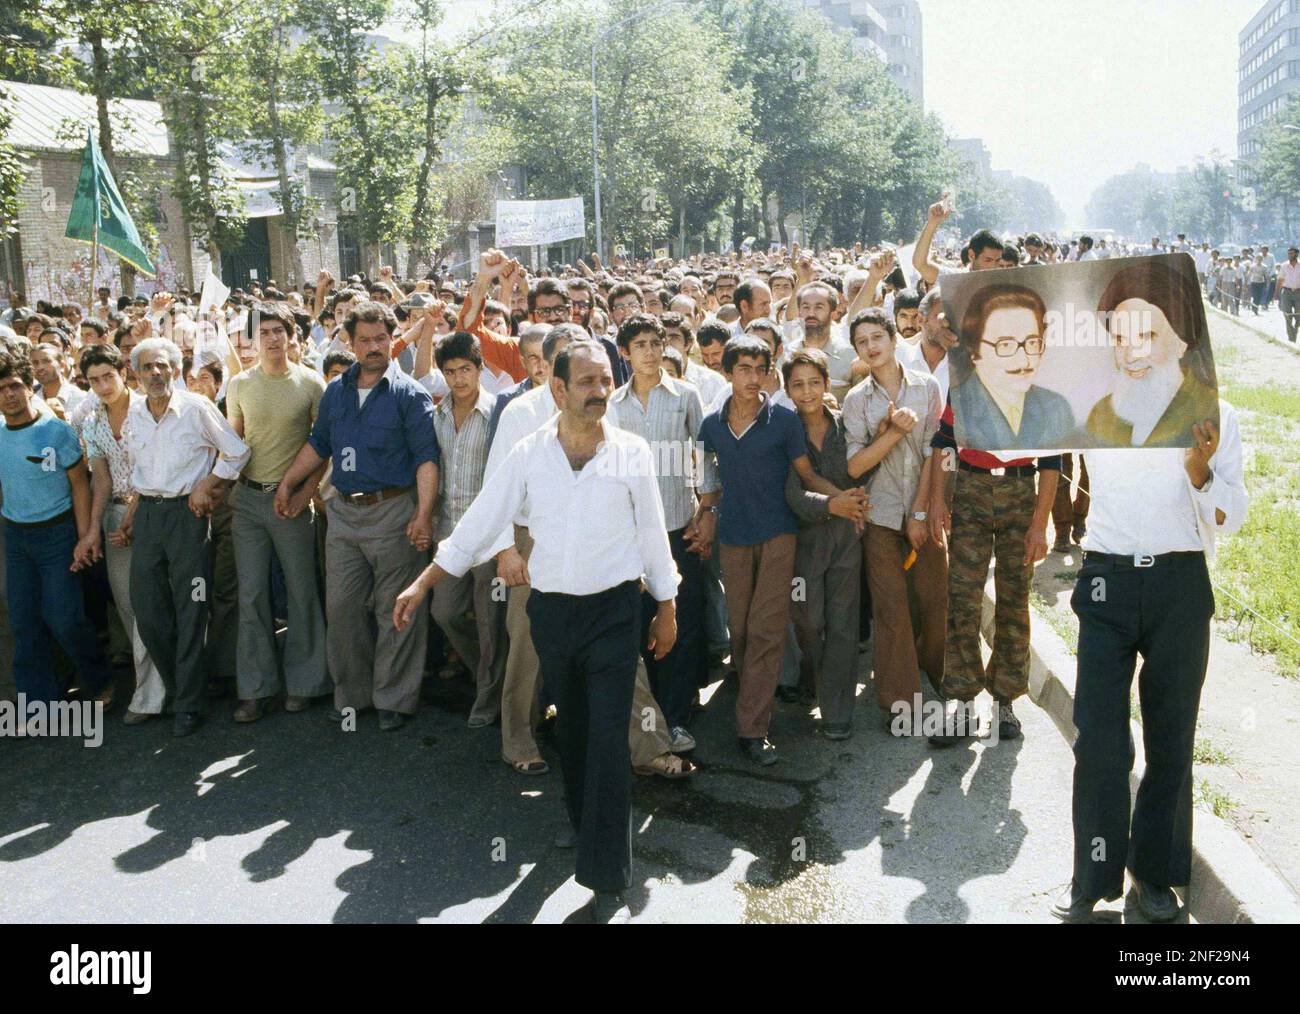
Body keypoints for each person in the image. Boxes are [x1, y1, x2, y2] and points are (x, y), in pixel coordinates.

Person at [393, 338, 679, 923]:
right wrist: (423, 584)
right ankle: (587, 829)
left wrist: (667, 606)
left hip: (615, 614)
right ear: (557, 389)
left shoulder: (629, 453)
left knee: (605, 737)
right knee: (573, 734)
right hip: (552, 613)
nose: (600, 393)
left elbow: (653, 534)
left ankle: (606, 869)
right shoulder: (527, 453)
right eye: (587, 383)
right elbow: (478, 523)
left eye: (606, 382)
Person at [1052, 400, 1247, 924]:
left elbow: (1233, 519)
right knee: (1097, 736)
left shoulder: (1215, 416)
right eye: (1127, 330)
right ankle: (1090, 878)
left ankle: (1155, 878)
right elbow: (1015, 432)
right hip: (1104, 578)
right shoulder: (1092, 409)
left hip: (1179, 583)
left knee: (1172, 735)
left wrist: (1200, 474)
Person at [275, 301, 439, 732]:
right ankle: (352, 696)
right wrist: (289, 482)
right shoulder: (337, 391)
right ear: (350, 341)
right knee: (343, 608)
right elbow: (319, 443)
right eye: (364, 340)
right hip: (344, 515)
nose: (373, 347)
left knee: (395, 610)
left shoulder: (410, 395)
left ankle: (394, 699)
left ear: (391, 339)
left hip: (394, 512)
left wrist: (423, 515)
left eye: (381, 339)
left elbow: (426, 459)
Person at [697, 335, 843, 766]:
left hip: (780, 535)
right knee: (739, 630)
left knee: (765, 629)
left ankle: (752, 729)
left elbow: (808, 476)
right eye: (743, 368)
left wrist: (844, 499)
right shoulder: (711, 425)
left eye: (761, 369)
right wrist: (704, 515)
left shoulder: (783, 420)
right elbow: (706, 483)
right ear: (727, 373)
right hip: (734, 539)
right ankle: (751, 702)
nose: (753, 377)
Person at [122, 337, 251, 737]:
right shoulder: (135, 414)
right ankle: (181, 689)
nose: (156, 374)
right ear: (136, 374)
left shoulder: (196, 408)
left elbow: (237, 452)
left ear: (176, 370)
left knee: (191, 607)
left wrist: (207, 484)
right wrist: (130, 515)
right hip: (148, 519)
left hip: (188, 518)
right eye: (147, 368)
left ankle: (189, 703)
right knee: (148, 612)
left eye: (163, 366)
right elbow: (139, 473)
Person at [610, 312, 717, 752]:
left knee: (681, 622)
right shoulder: (613, 406)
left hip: (678, 526)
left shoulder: (685, 396)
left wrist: (707, 509)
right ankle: (644, 722)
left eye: (656, 343)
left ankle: (675, 717)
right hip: (630, 534)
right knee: (639, 626)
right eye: (640, 345)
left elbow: (707, 455)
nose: (651, 352)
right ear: (624, 354)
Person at [225, 301, 329, 721]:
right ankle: (255, 688)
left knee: (302, 590)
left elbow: (323, 445)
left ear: (290, 336)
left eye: (278, 330)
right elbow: (235, 442)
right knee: (251, 594)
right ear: (253, 338)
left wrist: (306, 492)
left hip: (291, 504)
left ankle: (306, 682)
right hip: (248, 501)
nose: (271, 338)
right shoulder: (238, 385)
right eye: (263, 331)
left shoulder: (311, 384)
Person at [842, 309, 946, 728]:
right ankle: (900, 701)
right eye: (862, 341)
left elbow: (936, 452)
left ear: (891, 338)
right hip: (879, 514)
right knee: (891, 608)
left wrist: (922, 512)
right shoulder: (856, 400)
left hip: (924, 509)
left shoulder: (927, 387)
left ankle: (937, 679)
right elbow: (854, 466)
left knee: (935, 599)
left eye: (876, 337)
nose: (871, 346)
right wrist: (893, 432)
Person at [0, 347, 115, 710]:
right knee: (24, 622)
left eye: (15, 385)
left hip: (58, 535)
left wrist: (84, 537)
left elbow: (80, 485)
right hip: (16, 538)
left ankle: (100, 680)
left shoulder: (57, 430)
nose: (9, 395)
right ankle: (40, 703)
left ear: (28, 385)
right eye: (0, 389)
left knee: (65, 619)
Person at [782, 348, 869, 739]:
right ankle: (812, 679)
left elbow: (866, 464)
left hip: (847, 537)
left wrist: (855, 505)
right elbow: (792, 495)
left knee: (843, 623)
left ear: (826, 383)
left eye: (814, 382)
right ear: (786, 388)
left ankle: (837, 711)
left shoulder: (845, 424)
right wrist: (836, 503)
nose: (807, 392)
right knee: (807, 619)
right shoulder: (783, 430)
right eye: (797, 384)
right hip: (803, 541)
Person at [76, 343, 165, 724]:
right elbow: (100, 478)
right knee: (130, 608)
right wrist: (93, 530)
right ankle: (150, 692)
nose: (102, 385)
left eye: (108, 376)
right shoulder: (92, 419)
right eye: (93, 380)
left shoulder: (150, 409)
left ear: (123, 372)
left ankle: (171, 683)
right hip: (115, 517)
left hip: (156, 511)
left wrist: (132, 513)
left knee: (162, 602)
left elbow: (155, 468)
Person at [429, 330, 507, 729]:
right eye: (450, 371)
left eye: (465, 369)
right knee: (445, 611)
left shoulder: (498, 415)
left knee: (490, 621)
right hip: (449, 533)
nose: (459, 379)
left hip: (490, 537)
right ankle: (491, 677)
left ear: (479, 369)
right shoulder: (437, 414)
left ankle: (490, 700)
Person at [1085, 260, 1219, 448]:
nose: (1130, 357)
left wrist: (1201, 475)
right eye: (1120, 340)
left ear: (1180, 343)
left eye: (1145, 339)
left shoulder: (1212, 412)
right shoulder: (1102, 414)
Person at [949, 284, 1075, 451]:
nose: (1024, 362)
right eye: (1006, 345)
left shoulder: (1056, 408)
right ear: (974, 349)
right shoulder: (956, 406)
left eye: (1032, 342)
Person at [1275, 246, 1300, 343]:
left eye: (1292, 253)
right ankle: (1291, 336)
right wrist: (1276, 294)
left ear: (1296, 254)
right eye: (1289, 253)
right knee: (1287, 314)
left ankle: (1295, 330)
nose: (1290, 255)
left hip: (1298, 293)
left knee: (1298, 316)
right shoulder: (1284, 266)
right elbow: (1280, 280)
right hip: (1286, 292)